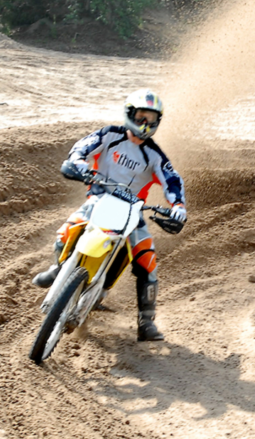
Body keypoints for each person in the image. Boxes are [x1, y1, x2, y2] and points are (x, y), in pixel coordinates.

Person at [33, 88, 188, 342]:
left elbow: (172, 180)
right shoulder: (109, 135)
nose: (145, 123)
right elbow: (82, 147)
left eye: (150, 119)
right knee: (69, 228)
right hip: (99, 199)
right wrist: (77, 162)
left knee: (147, 259)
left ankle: (146, 322)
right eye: (140, 116)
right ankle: (58, 268)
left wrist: (178, 206)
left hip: (133, 211)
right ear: (129, 114)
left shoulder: (155, 155)